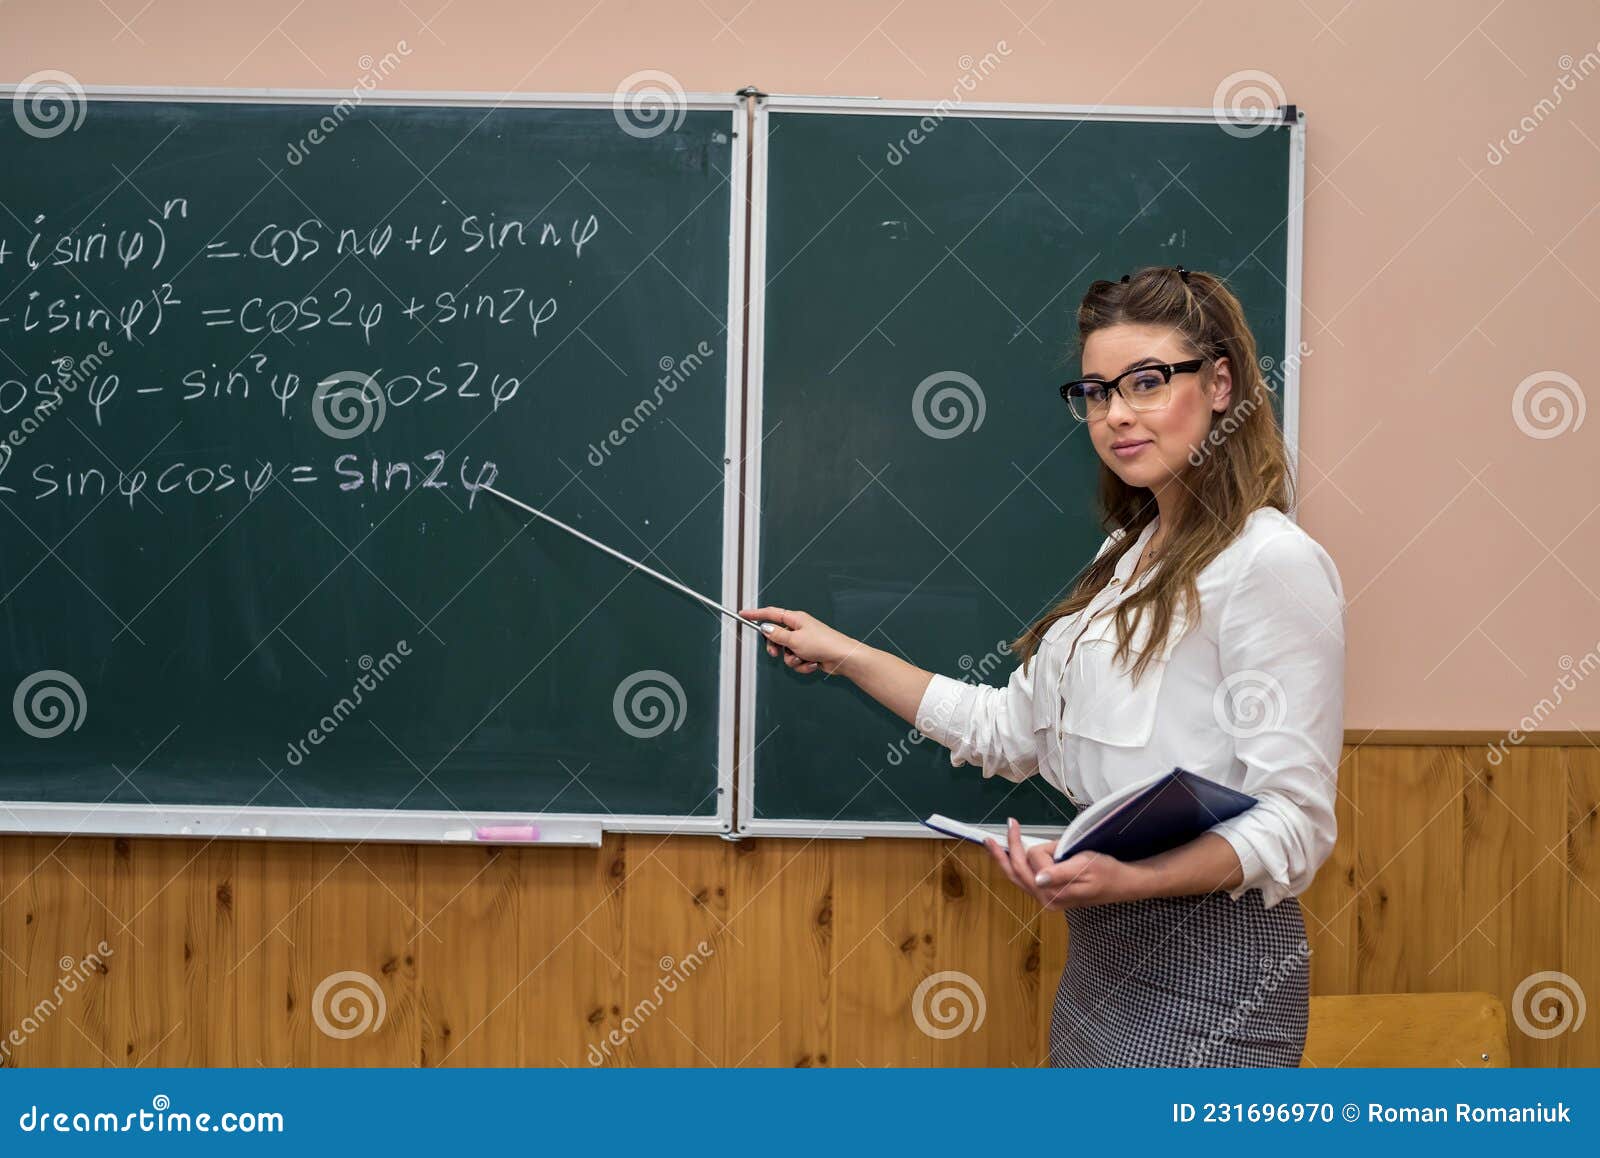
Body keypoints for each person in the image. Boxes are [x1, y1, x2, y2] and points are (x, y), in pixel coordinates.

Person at [740, 264, 1347, 1067]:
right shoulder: (1123, 555)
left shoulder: (1271, 564)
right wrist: (847, 654)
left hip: (1215, 973)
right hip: (1100, 964)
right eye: (1096, 392)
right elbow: (1007, 729)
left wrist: (1131, 879)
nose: (1115, 415)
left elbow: (1296, 822)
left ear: (1221, 384)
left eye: (1147, 382)